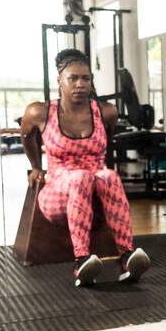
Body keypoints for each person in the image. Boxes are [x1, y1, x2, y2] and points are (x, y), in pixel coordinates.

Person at [20, 49, 151, 286]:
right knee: (80, 177)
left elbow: (107, 142)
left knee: (109, 175)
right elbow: (27, 137)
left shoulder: (106, 112)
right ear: (60, 81)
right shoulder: (40, 111)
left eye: (86, 78)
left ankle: (127, 255)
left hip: (95, 195)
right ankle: (81, 260)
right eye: (73, 78)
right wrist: (36, 167)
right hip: (57, 194)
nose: (80, 84)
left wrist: (97, 177)